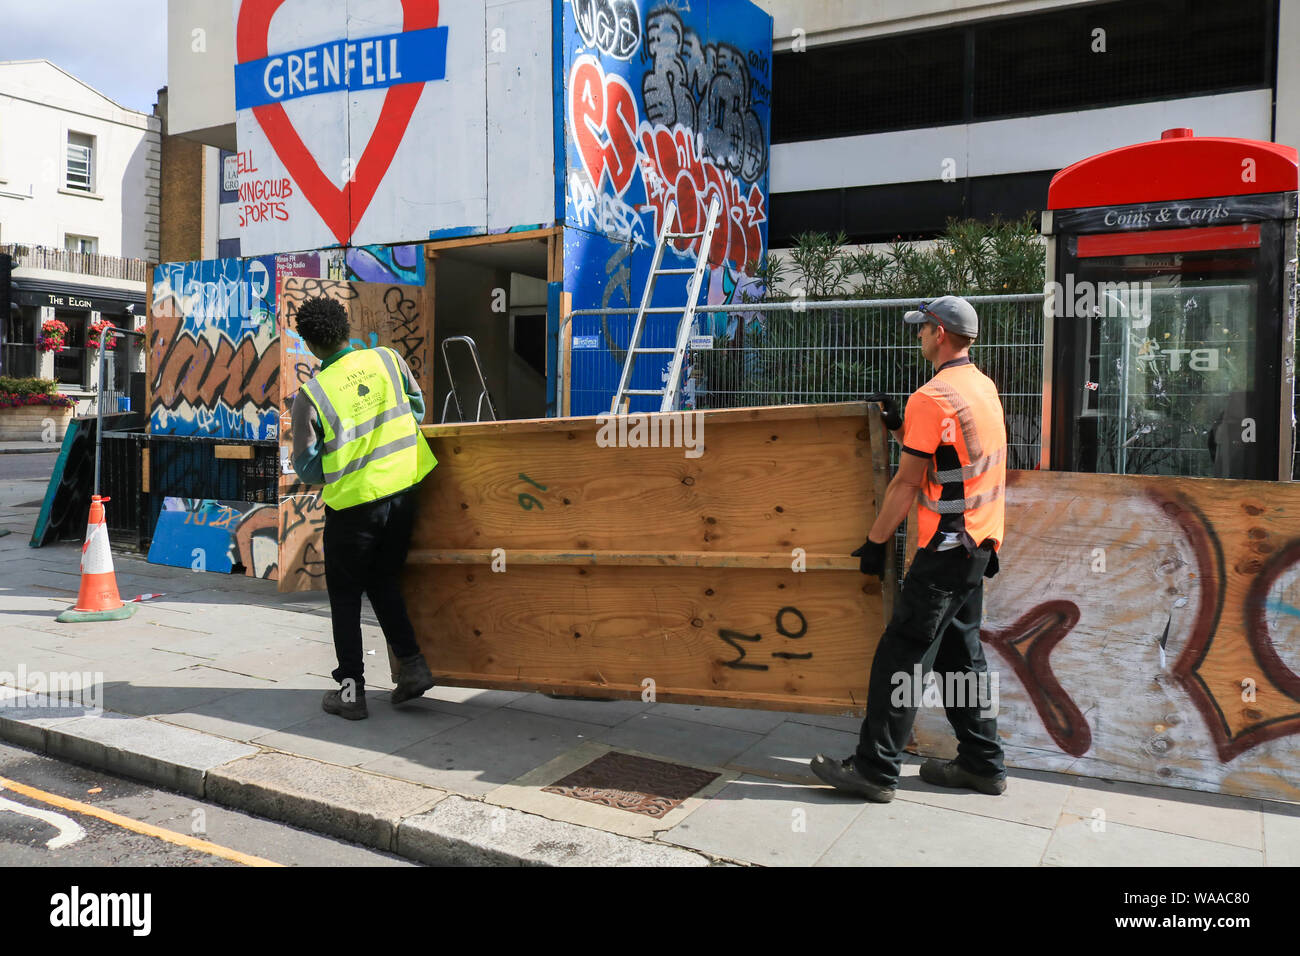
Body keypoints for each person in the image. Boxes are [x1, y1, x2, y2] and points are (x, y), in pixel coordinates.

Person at [811, 295, 1009, 801]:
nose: (918, 335)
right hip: (979, 543)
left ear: (939, 333)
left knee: (901, 655)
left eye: (922, 328)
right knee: (962, 658)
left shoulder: (935, 395)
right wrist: (899, 424)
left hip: (945, 549)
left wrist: (875, 542)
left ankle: (875, 771)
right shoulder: (981, 388)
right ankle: (982, 764)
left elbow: (906, 484)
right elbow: (950, 458)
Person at [290, 296, 438, 720]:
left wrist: (344, 461)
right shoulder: (388, 360)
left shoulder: (310, 396)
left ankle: (351, 692)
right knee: (384, 581)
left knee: (345, 597)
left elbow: (307, 466)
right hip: (405, 492)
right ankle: (412, 666)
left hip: (354, 509)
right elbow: (417, 409)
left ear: (311, 345)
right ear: (345, 328)